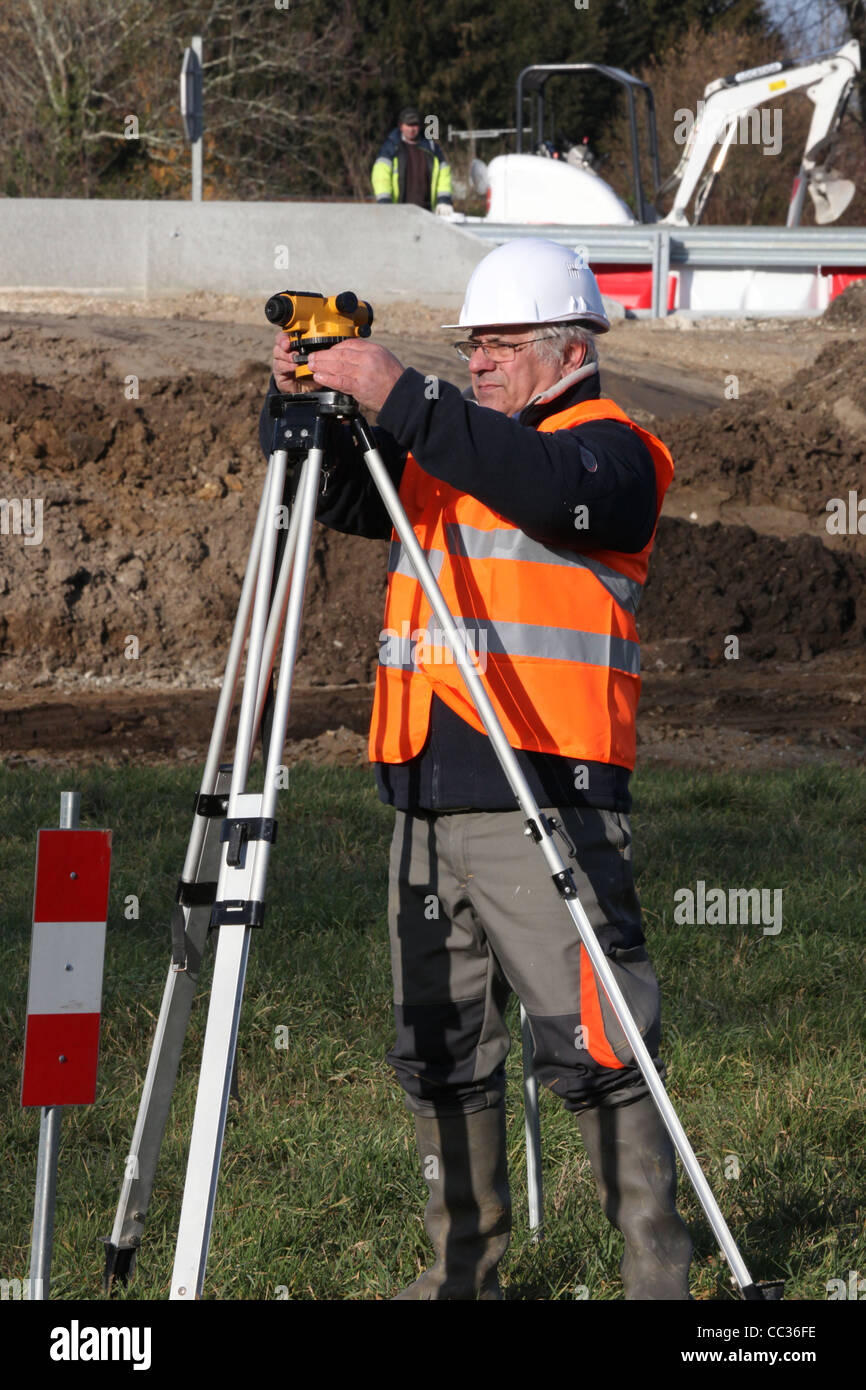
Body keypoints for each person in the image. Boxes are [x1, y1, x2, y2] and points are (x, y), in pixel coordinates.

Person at [259, 238, 692, 1300]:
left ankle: (654, 1276)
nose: (479, 361)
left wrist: (401, 389)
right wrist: (309, 401)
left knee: (594, 1043)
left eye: (497, 344)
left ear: (568, 348)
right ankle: (463, 1272)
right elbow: (346, 498)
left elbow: (543, 488)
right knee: (439, 1050)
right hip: (422, 790)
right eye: (470, 346)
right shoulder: (454, 446)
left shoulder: (611, 454)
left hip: (542, 793)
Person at [371, 105, 453, 213]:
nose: (412, 129)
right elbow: (381, 175)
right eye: (408, 125)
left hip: (427, 213)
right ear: (400, 126)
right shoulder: (391, 148)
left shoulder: (432, 148)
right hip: (398, 213)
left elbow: (444, 175)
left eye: (415, 125)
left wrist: (444, 200)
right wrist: (384, 201)